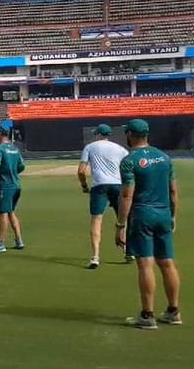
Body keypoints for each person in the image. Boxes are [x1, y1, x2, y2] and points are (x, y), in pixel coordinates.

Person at [115, 119, 182, 329]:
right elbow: (173, 191)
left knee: (145, 264)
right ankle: (173, 311)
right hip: (163, 213)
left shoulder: (129, 160)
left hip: (143, 214)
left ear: (130, 135)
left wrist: (120, 225)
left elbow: (127, 195)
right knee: (167, 263)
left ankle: (147, 315)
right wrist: (173, 216)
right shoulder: (164, 157)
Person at [77, 124, 130, 269]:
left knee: (96, 220)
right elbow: (128, 169)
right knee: (122, 218)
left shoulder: (90, 147)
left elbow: (81, 171)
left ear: (98, 134)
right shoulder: (121, 149)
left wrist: (84, 186)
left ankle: (95, 257)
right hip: (117, 184)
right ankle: (128, 251)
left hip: (99, 185)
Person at [0, 126, 25, 252]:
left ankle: (0, 244)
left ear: (1, 134)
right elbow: (21, 166)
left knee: (2, 214)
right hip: (16, 185)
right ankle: (19, 241)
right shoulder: (15, 149)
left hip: (6, 186)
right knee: (11, 212)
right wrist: (12, 172)